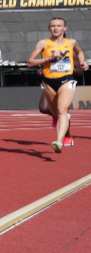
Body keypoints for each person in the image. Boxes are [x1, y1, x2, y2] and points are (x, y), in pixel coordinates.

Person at [27, 17, 87, 153]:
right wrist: (50, 58)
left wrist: (82, 62)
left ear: (64, 28)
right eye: (53, 26)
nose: (55, 28)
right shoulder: (43, 43)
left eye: (59, 26)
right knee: (54, 112)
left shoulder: (71, 42)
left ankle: (59, 142)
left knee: (62, 110)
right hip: (48, 81)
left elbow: (80, 52)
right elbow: (30, 62)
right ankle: (64, 131)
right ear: (49, 28)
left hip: (67, 80)